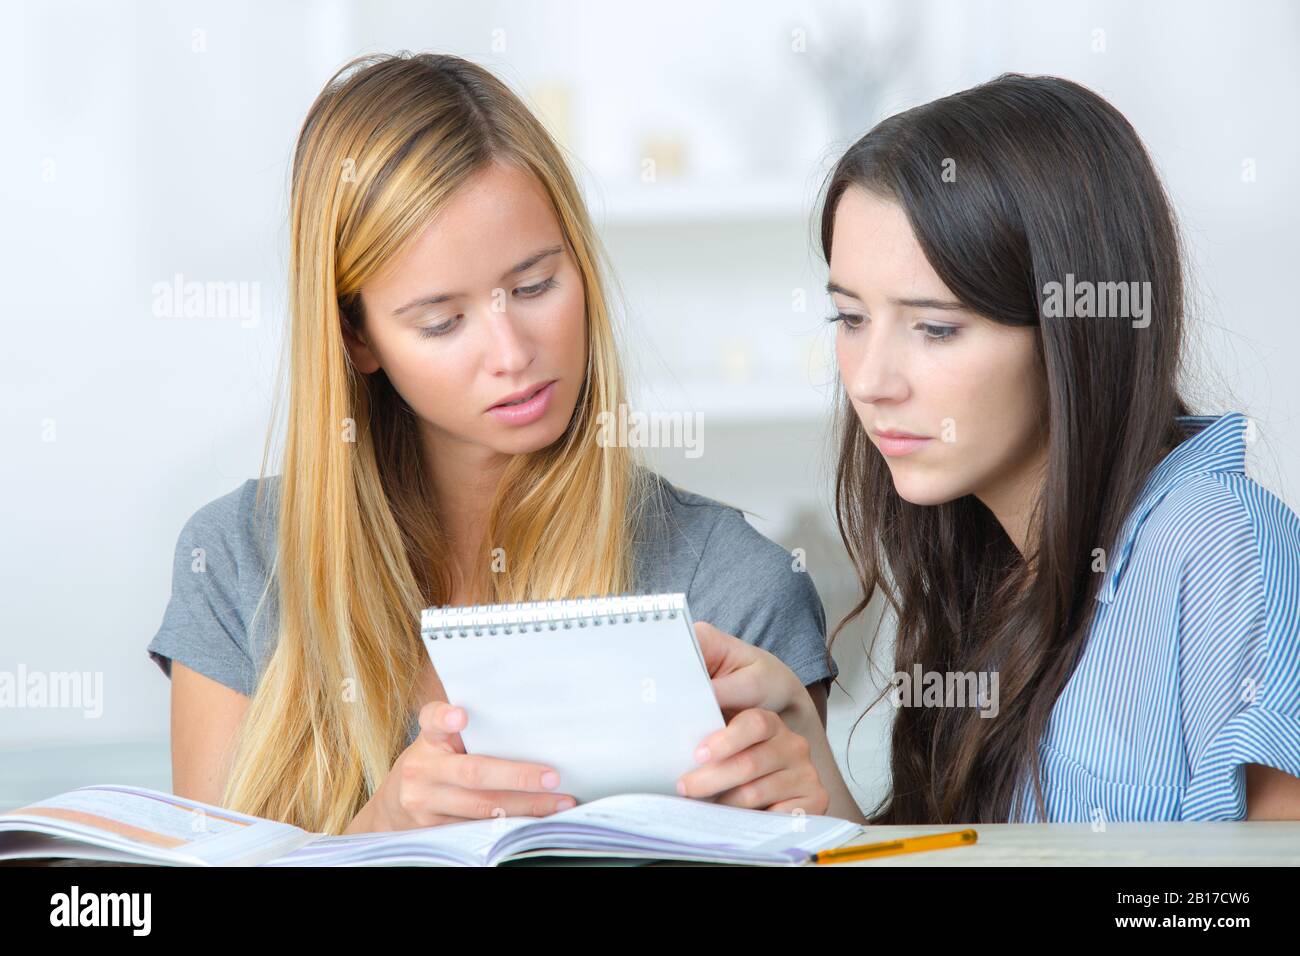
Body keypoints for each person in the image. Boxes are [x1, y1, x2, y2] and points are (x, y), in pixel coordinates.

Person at [147, 52, 838, 835]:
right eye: (441, 321)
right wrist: (375, 840)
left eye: (537, 285)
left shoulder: (734, 582)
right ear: (355, 337)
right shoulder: (235, 563)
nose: (512, 354)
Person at [699, 73, 1300, 824]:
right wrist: (805, 753)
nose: (872, 382)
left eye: (936, 328)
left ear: (1076, 332)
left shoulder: (1220, 545)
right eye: (850, 318)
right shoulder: (986, 558)